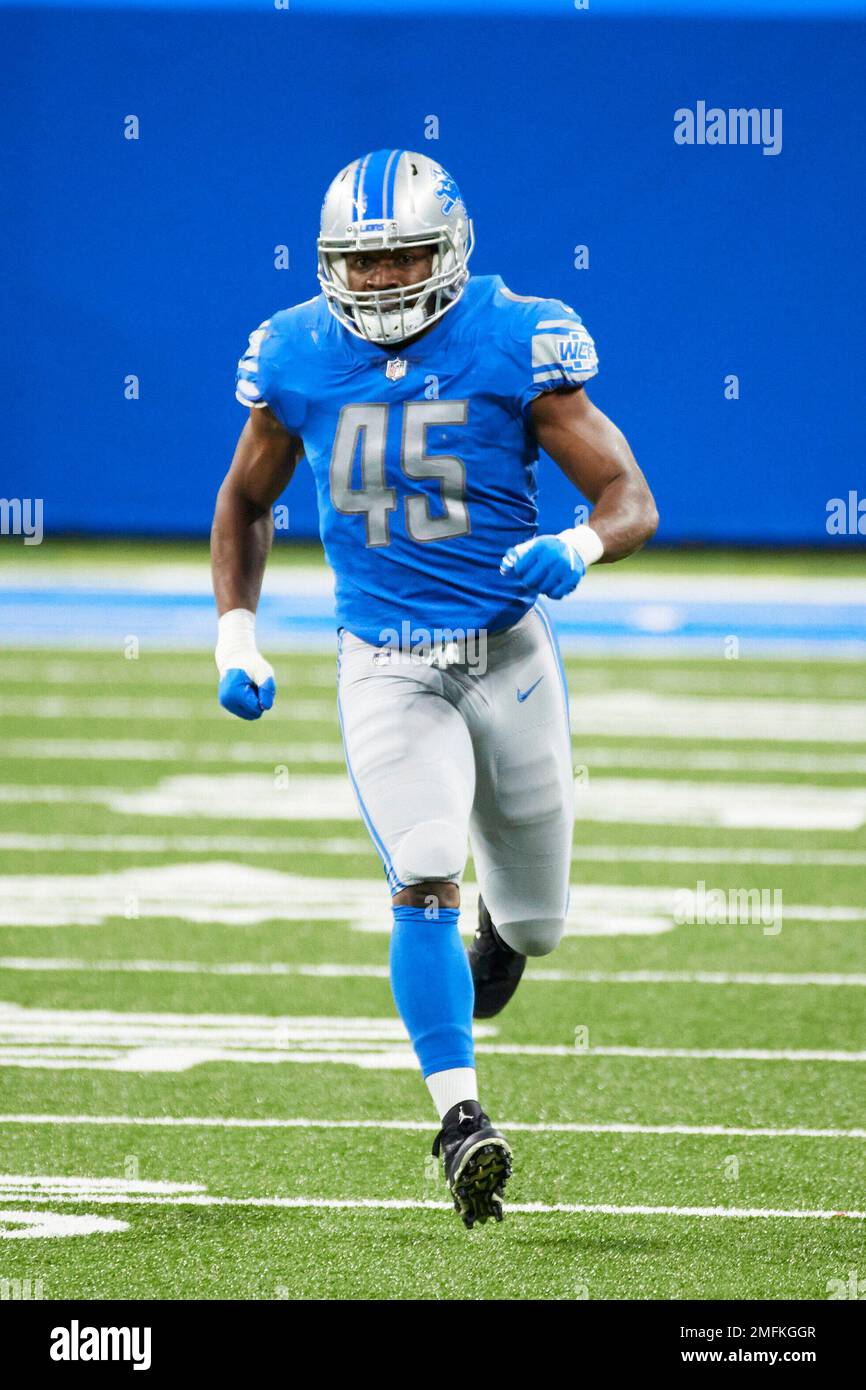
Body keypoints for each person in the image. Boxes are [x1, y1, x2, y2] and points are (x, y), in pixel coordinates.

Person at [211, 149, 658, 1229]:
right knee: (419, 867)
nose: (377, 284)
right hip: (384, 664)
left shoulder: (512, 339)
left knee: (539, 922)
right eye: (356, 266)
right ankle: (459, 1119)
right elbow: (243, 501)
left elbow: (629, 495)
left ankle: (500, 941)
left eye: (400, 257)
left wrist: (579, 545)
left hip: (507, 655)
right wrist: (237, 635)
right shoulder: (296, 355)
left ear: (448, 249)